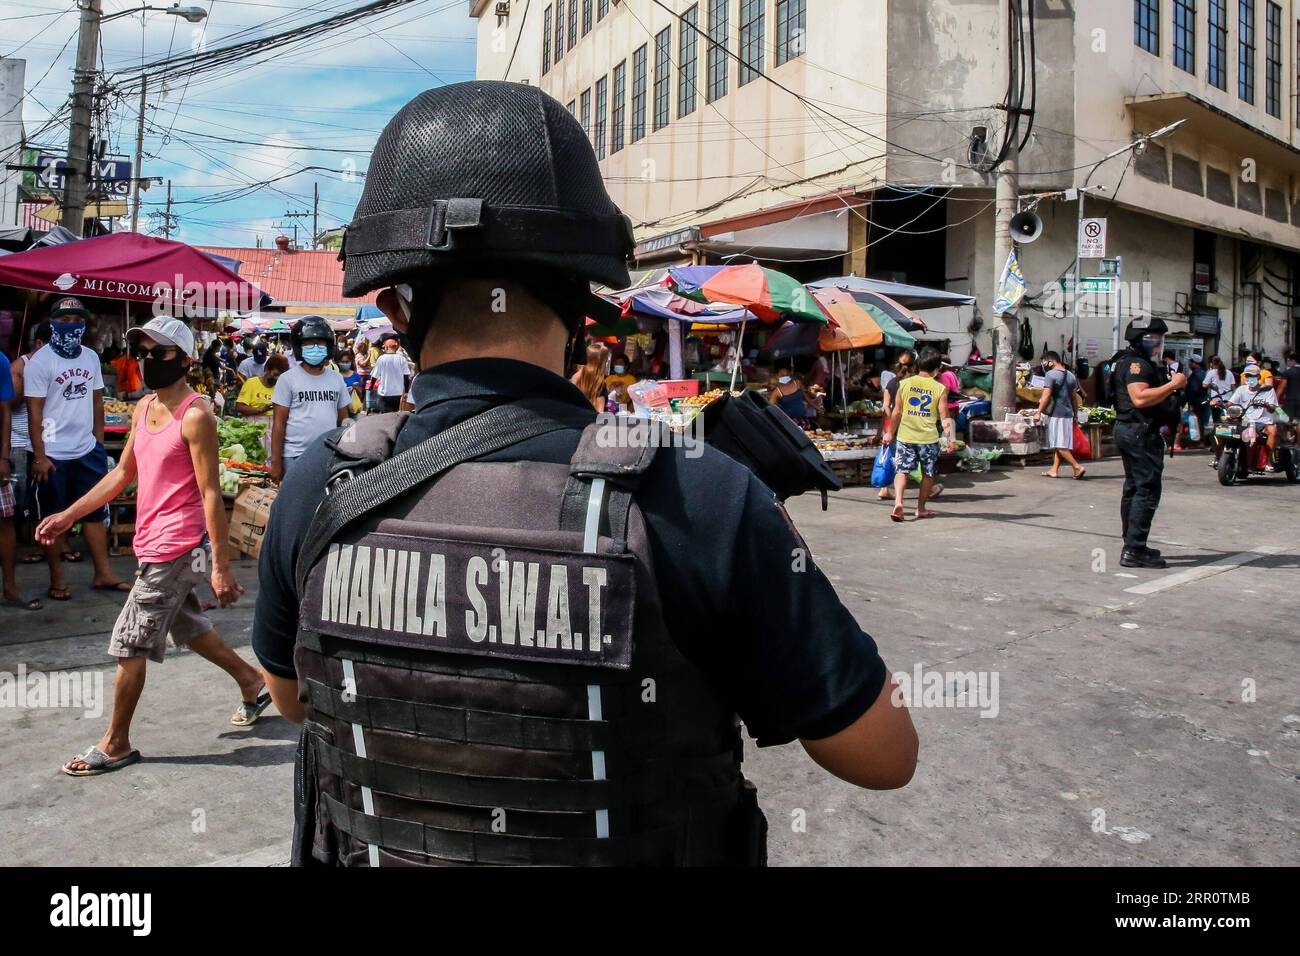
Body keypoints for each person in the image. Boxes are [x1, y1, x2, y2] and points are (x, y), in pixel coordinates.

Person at [252, 81, 916, 868]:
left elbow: (295, 699)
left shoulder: (323, 486)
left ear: (395, 310)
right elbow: (882, 756)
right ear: (582, 298)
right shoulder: (699, 495)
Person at [43, 317, 269, 777]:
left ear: (185, 360)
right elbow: (122, 474)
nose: (148, 360)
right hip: (150, 541)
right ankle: (253, 681)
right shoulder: (145, 406)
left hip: (178, 546)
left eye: (159, 353)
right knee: (187, 625)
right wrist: (69, 514)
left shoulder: (196, 415)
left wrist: (221, 566)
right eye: (143, 352)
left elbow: (210, 493)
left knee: (130, 641)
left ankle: (116, 743)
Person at [25, 297, 131, 600]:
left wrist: (98, 443)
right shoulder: (40, 362)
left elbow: (97, 401)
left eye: (77, 321)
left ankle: (103, 573)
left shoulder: (90, 357)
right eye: (65, 320)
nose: (72, 326)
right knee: (52, 517)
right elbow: (35, 411)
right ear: (53, 323)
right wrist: (40, 456)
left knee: (95, 513)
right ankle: (57, 579)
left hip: (86, 450)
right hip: (52, 455)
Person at [1110, 318, 1186, 570]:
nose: (1158, 344)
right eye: (1154, 338)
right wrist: (1173, 385)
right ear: (1141, 339)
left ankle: (1133, 544)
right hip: (1139, 432)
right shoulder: (1137, 364)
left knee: (1134, 488)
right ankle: (1134, 549)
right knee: (1147, 489)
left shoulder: (1126, 361)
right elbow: (1140, 398)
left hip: (1130, 430)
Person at [269, 316, 351, 483]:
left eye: (320, 343)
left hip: (327, 454)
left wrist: (349, 452)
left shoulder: (337, 379)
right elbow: (278, 423)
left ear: (328, 347)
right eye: (309, 343)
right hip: (294, 456)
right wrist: (276, 463)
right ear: (299, 347)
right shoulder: (287, 379)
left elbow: (345, 419)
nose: (315, 348)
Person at [881, 349, 953, 522]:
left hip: (905, 436)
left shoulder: (904, 384)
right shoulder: (940, 388)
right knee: (928, 474)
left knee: (902, 471)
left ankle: (898, 503)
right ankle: (920, 509)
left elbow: (897, 412)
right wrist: (950, 438)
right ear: (937, 368)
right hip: (928, 439)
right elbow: (945, 417)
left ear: (918, 365)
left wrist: (890, 433)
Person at [10, 323, 49, 573]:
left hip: (46, 444)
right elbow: (9, 403)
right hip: (19, 443)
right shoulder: (19, 366)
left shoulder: (55, 366)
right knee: (20, 499)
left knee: (42, 497)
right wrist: (30, 378)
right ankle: (23, 544)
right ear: (39, 344)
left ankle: (42, 545)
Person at [1035, 350, 1085, 479]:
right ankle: (1054, 470)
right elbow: (1074, 398)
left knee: (1059, 444)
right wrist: (1075, 414)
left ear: (1051, 362)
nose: (1044, 365)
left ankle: (1077, 467)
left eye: (1044, 362)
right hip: (1068, 414)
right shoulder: (1071, 375)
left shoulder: (1050, 375)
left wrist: (1038, 412)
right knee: (1061, 443)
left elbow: (1046, 395)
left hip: (1057, 414)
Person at [1227, 364, 1280, 470]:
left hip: (1263, 421)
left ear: (1259, 377)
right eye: (1247, 376)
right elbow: (1230, 403)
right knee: (1222, 429)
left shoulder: (1268, 390)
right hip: (1246, 420)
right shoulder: (1241, 389)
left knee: (1273, 431)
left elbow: (1272, 409)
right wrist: (1220, 403)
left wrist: (1266, 405)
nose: (1249, 378)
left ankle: (1269, 462)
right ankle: (1219, 458)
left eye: (1252, 376)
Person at [235, 353, 289, 456]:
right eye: (275, 374)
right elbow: (240, 407)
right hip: (253, 432)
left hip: (273, 433)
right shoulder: (251, 383)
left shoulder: (282, 388)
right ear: (267, 369)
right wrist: (261, 409)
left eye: (281, 377)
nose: (277, 379)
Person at [1203, 355, 1236, 468]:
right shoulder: (1229, 373)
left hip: (1217, 402)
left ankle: (1218, 454)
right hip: (1229, 402)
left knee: (1217, 428)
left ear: (1212, 364)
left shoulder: (1211, 372)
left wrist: (1211, 385)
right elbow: (1233, 387)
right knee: (1227, 424)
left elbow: (1204, 384)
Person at [371, 335, 411, 412]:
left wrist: (371, 387)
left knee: (385, 415)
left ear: (386, 347)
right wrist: (406, 391)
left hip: (384, 394)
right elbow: (406, 377)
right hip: (399, 393)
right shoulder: (402, 359)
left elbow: (374, 376)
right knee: (397, 415)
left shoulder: (381, 359)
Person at [570, 342, 611, 411]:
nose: (607, 363)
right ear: (602, 363)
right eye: (606, 360)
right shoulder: (599, 383)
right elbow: (600, 412)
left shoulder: (575, 377)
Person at [1280, 352, 1300, 422]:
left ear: (1293, 360)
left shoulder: (1288, 372)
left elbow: (1282, 386)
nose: (1288, 362)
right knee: (1298, 420)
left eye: (1289, 360)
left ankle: (1289, 429)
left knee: (1288, 420)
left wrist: (1276, 396)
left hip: (1290, 399)